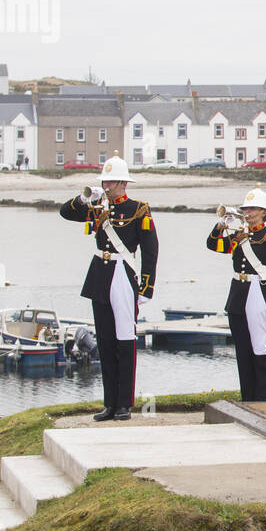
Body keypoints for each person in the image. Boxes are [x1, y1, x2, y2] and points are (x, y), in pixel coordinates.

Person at [59, 154, 158, 421]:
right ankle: (110, 404)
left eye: (112, 181)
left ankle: (124, 403)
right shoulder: (98, 205)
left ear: (123, 183)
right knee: (104, 341)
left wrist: (146, 287)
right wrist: (83, 199)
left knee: (124, 340)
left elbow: (150, 250)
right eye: (105, 180)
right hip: (100, 274)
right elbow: (65, 213)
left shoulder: (138, 209)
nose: (107, 185)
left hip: (124, 274)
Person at [206, 186, 266, 402]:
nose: (248, 212)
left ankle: (262, 400)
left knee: (261, 349)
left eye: (253, 209)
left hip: (260, 294)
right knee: (242, 350)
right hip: (239, 295)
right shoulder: (239, 235)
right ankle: (247, 398)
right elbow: (213, 244)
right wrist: (222, 225)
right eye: (246, 208)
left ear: (263, 212)